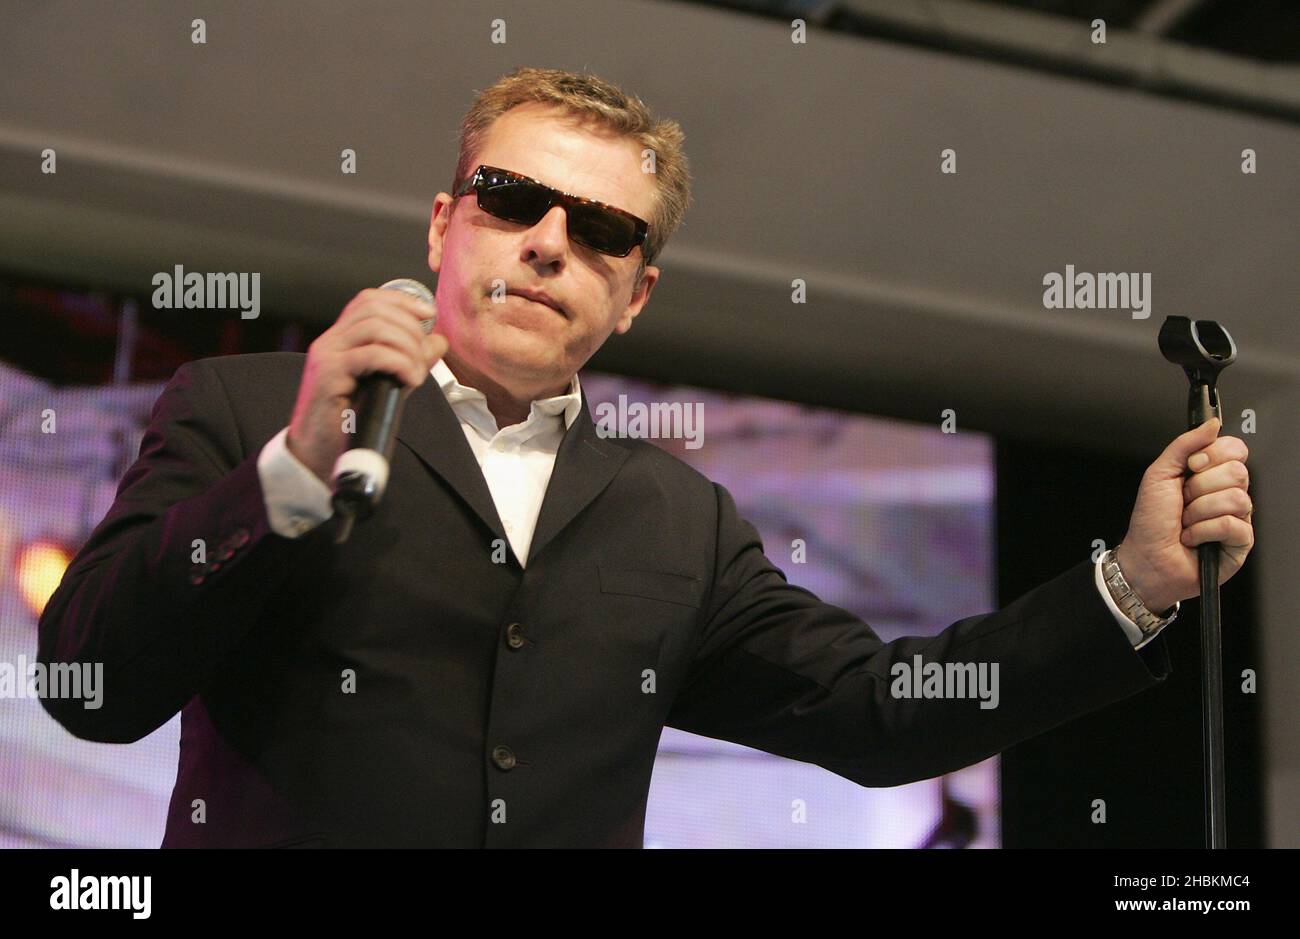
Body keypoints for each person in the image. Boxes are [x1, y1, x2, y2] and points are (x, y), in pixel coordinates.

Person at [37, 67, 1255, 848]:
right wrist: (292, 473)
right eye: (511, 199)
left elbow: (885, 716)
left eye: (604, 230)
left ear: (635, 297)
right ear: (444, 220)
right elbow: (89, 683)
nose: (551, 243)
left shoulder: (676, 519)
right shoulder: (249, 406)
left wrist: (1133, 585)